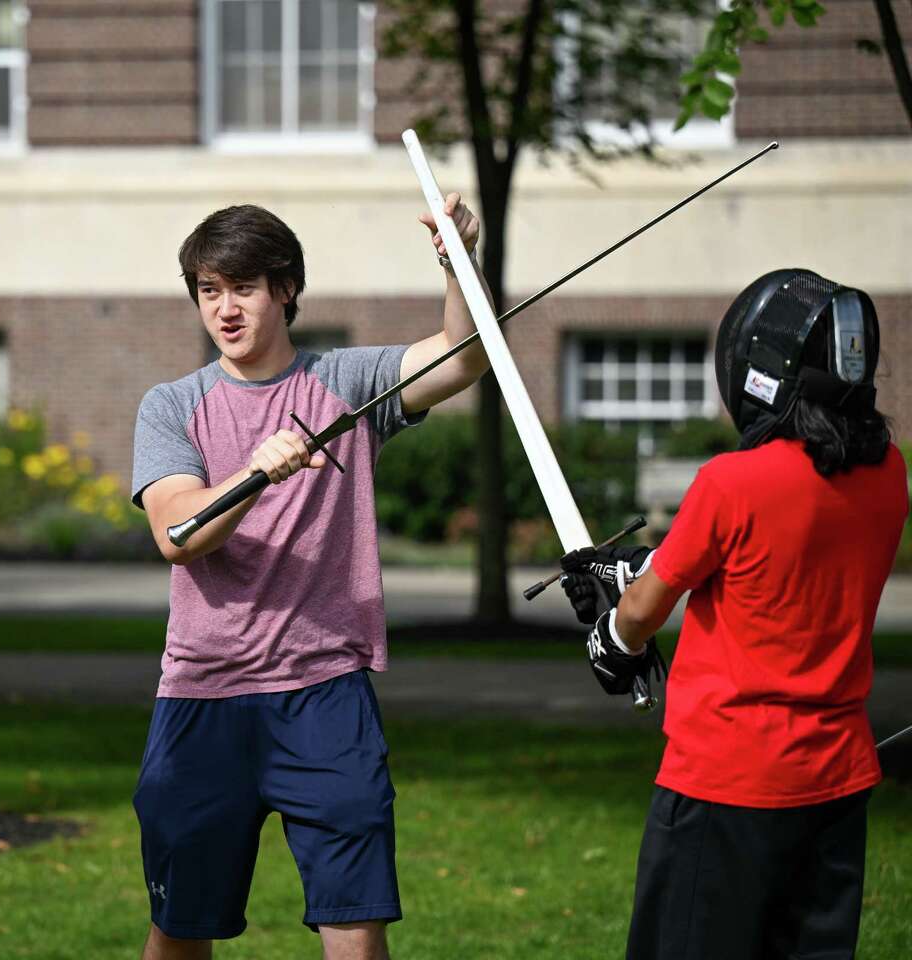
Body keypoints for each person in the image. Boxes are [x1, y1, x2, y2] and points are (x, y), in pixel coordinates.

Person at [130, 198, 489, 959]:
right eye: (208, 290)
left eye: (243, 288)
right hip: (203, 698)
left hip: (326, 694)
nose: (224, 309)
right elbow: (177, 533)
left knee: (354, 925)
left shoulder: (346, 382)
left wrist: (457, 262)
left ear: (286, 289)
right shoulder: (172, 407)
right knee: (180, 928)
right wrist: (254, 475)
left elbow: (463, 357)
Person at [560, 268, 907, 960]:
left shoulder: (731, 482)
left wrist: (611, 638)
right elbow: (765, 564)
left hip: (726, 786)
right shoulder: (889, 471)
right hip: (836, 784)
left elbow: (639, 614)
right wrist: (638, 569)